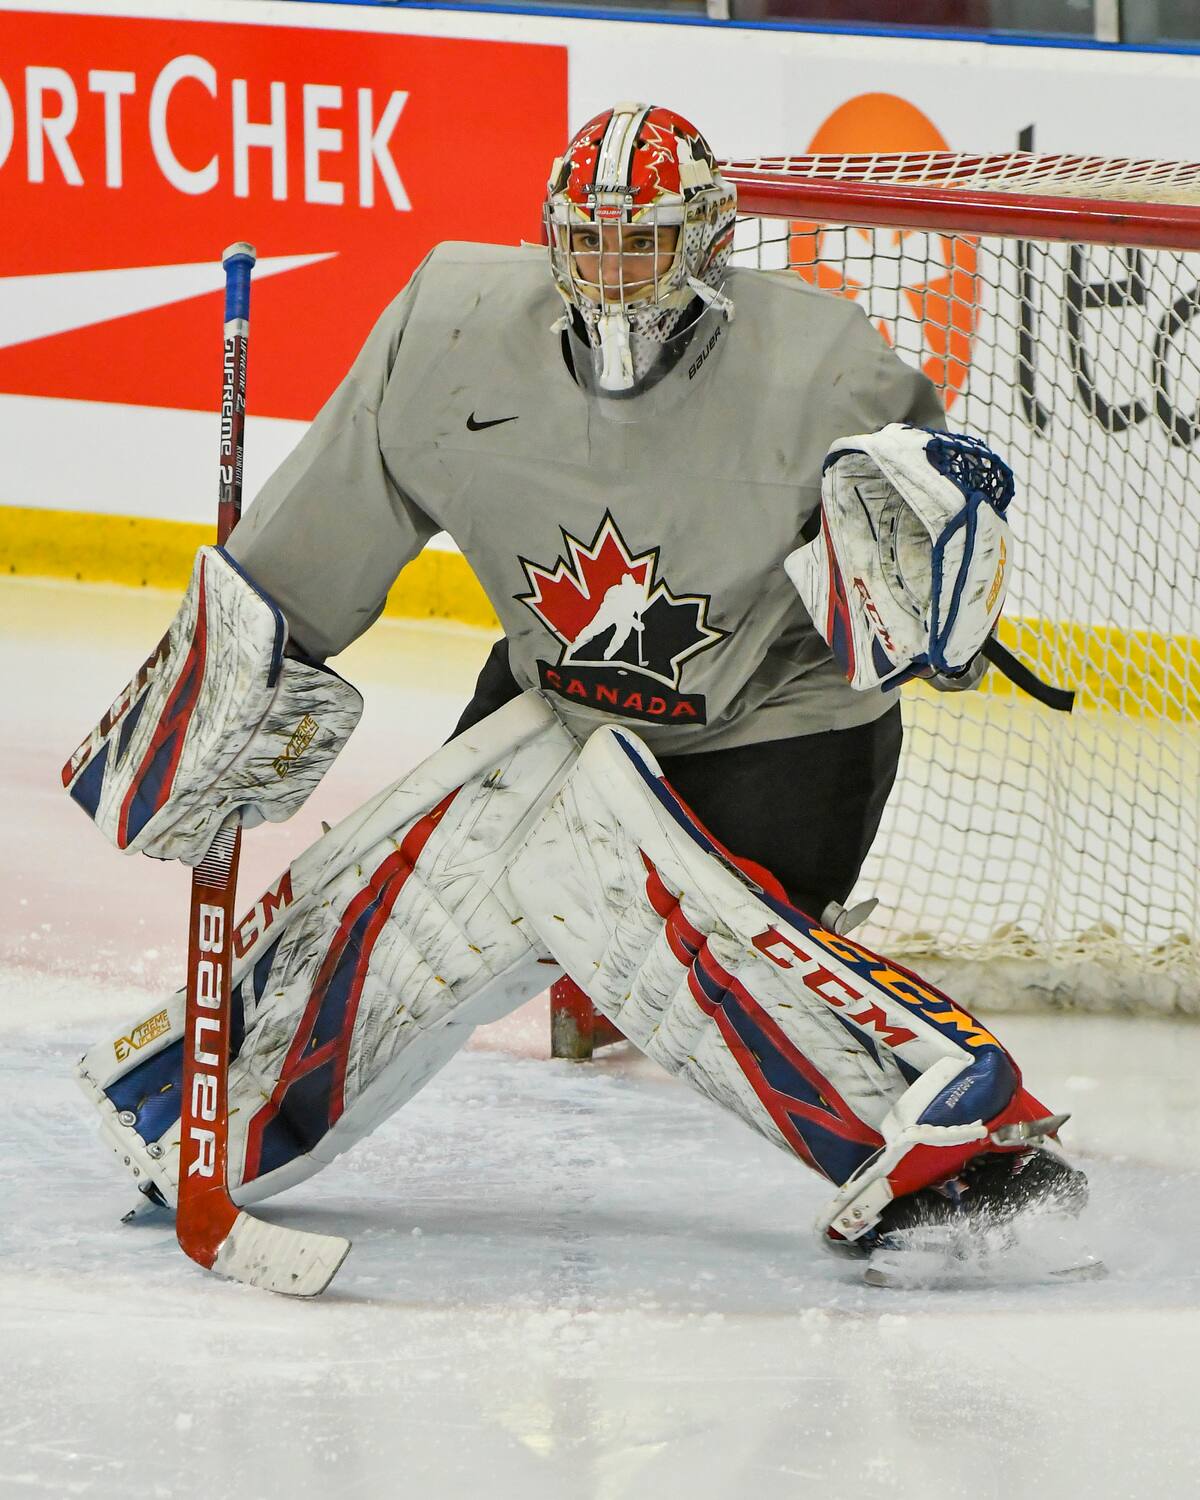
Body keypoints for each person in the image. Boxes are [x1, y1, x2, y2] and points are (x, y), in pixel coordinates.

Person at [67, 104, 1086, 1275]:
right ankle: (207, 1106)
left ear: (705, 243)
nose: (613, 276)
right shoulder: (448, 333)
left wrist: (921, 556)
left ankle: (965, 1146)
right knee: (433, 876)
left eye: (642, 244)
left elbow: (917, 583)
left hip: (775, 739)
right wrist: (222, 697)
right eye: (589, 244)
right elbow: (309, 550)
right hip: (560, 700)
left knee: (600, 879)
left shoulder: (825, 371)